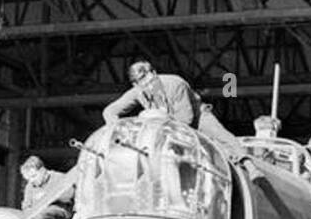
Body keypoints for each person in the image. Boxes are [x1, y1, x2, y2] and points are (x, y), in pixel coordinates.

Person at [102, 60, 256, 171]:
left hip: (196, 118)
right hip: (166, 127)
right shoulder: (137, 92)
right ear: (135, 85)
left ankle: (247, 162)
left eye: (147, 79)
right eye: (139, 82)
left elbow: (186, 119)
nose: (146, 85)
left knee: (220, 134)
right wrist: (118, 129)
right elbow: (109, 111)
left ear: (154, 74)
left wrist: (161, 123)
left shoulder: (176, 83)